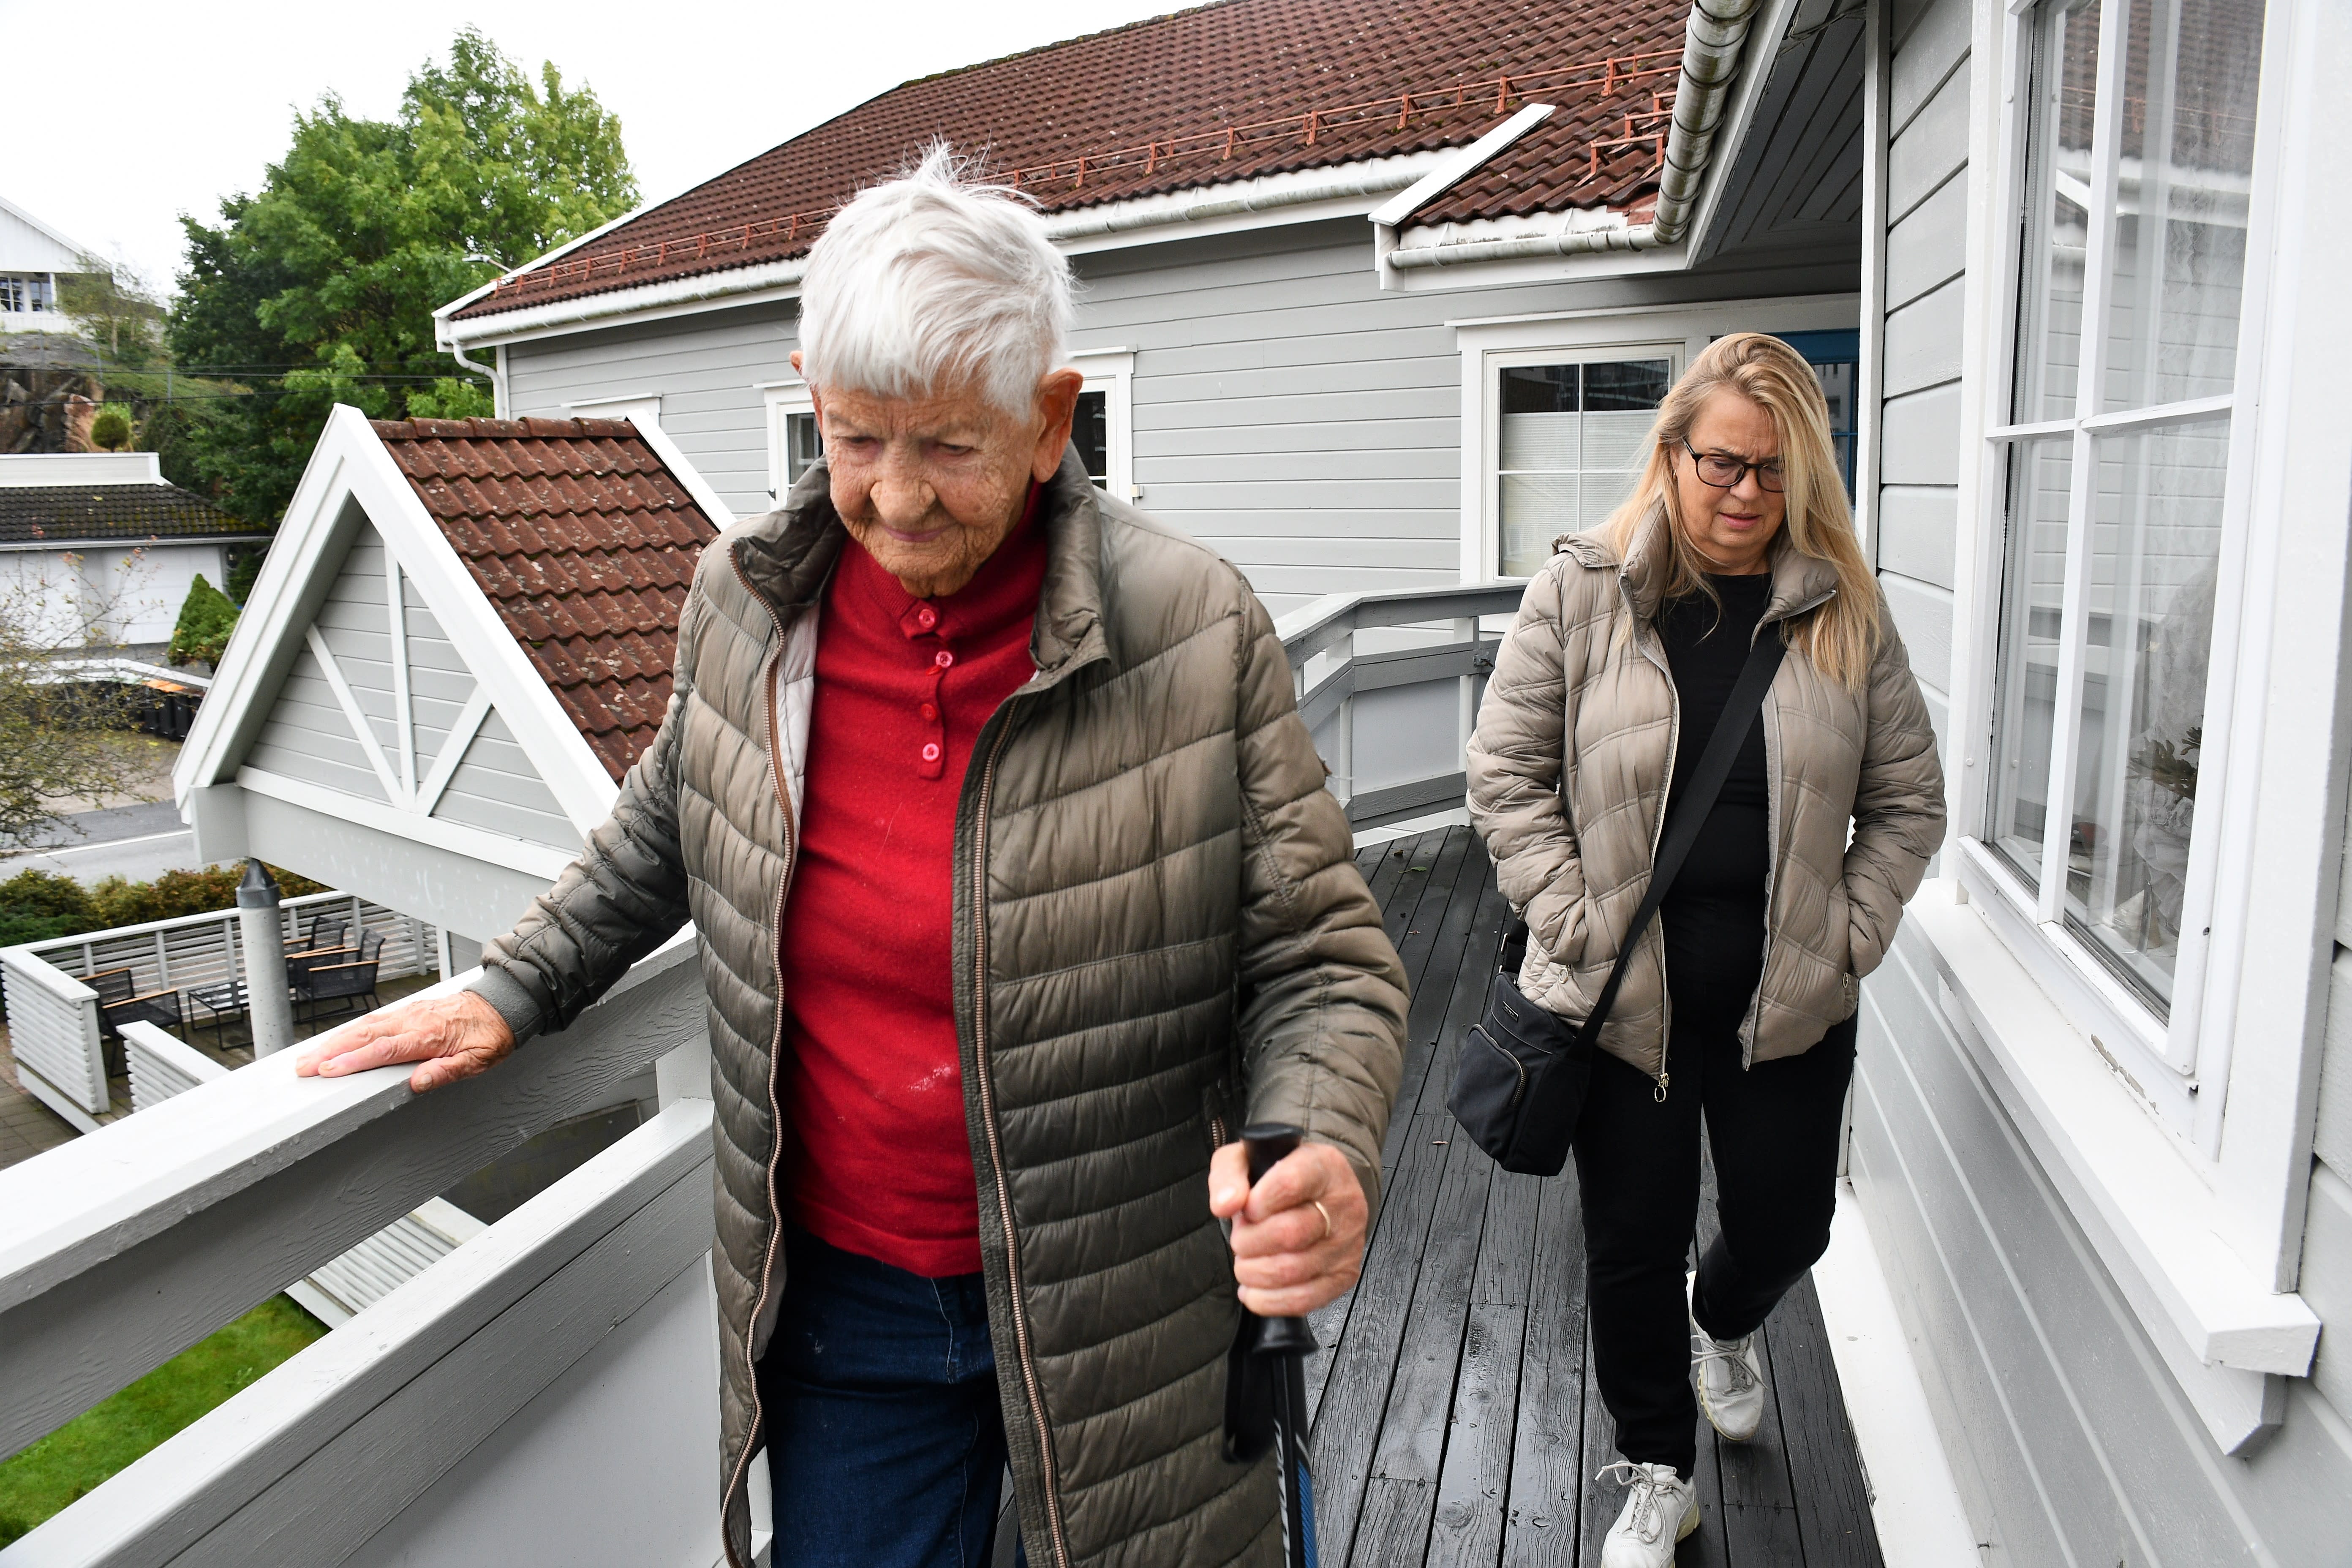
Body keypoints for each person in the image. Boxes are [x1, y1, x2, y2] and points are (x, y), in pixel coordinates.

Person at [296, 147, 1407, 1568]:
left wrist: (1316, 1138)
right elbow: (673, 816)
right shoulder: (749, 599)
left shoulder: (1192, 625)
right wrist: (516, 984)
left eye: (948, 445)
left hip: (1118, 1293)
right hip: (846, 1302)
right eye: (853, 437)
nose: (891, 499)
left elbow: (1321, 957)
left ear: (1051, 419)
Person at [1464, 332, 1944, 1567]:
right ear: (1671, 453)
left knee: (1787, 1227)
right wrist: (1572, 917)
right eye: (1722, 462)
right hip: (1626, 1000)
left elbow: (1907, 805)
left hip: (1790, 998)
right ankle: (1660, 1471)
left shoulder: (1843, 614)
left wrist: (1851, 937)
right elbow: (1506, 777)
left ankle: (1724, 1322)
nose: (1744, 494)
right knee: (1633, 1243)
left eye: (1774, 472)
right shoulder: (1581, 593)